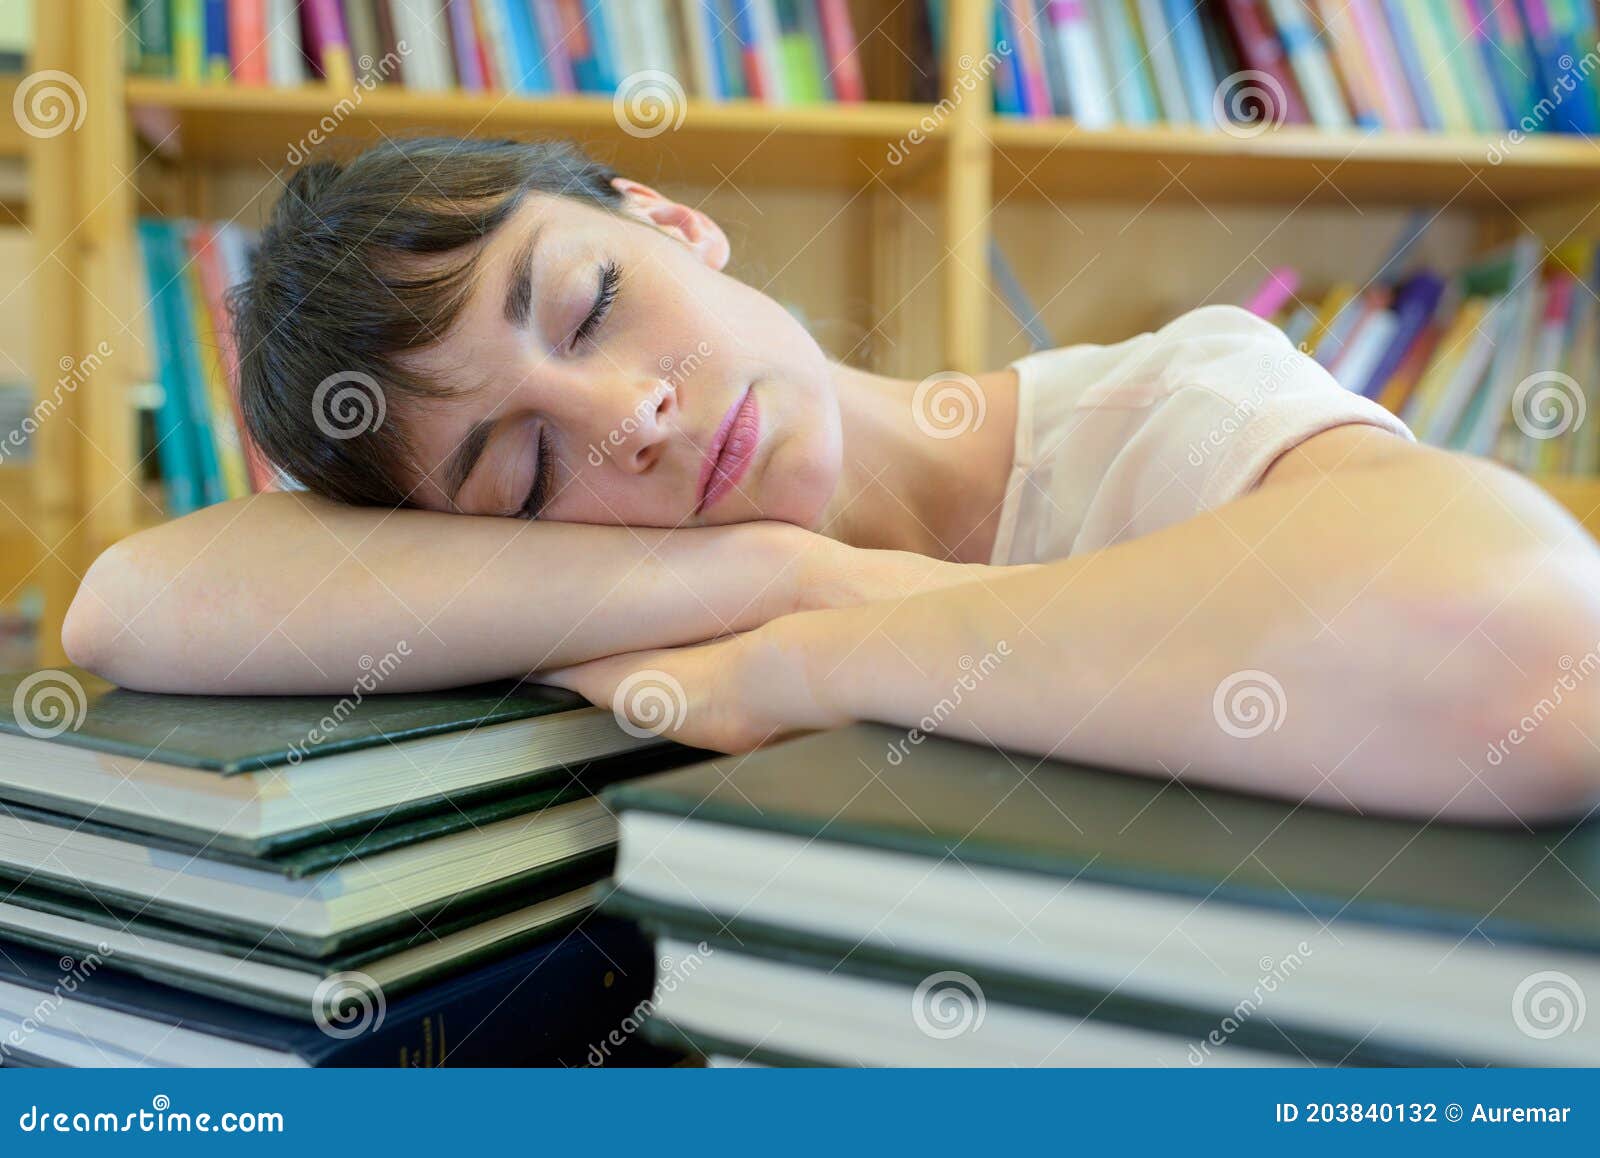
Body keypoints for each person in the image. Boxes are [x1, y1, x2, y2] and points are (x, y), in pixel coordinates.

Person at [64, 138, 1600, 823]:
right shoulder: (696, 592)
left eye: (589, 303)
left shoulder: (1169, 404)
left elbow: (1534, 651)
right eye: (528, 469)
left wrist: (821, 639)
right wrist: (772, 571)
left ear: (668, 222)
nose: (632, 413)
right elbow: (129, 606)